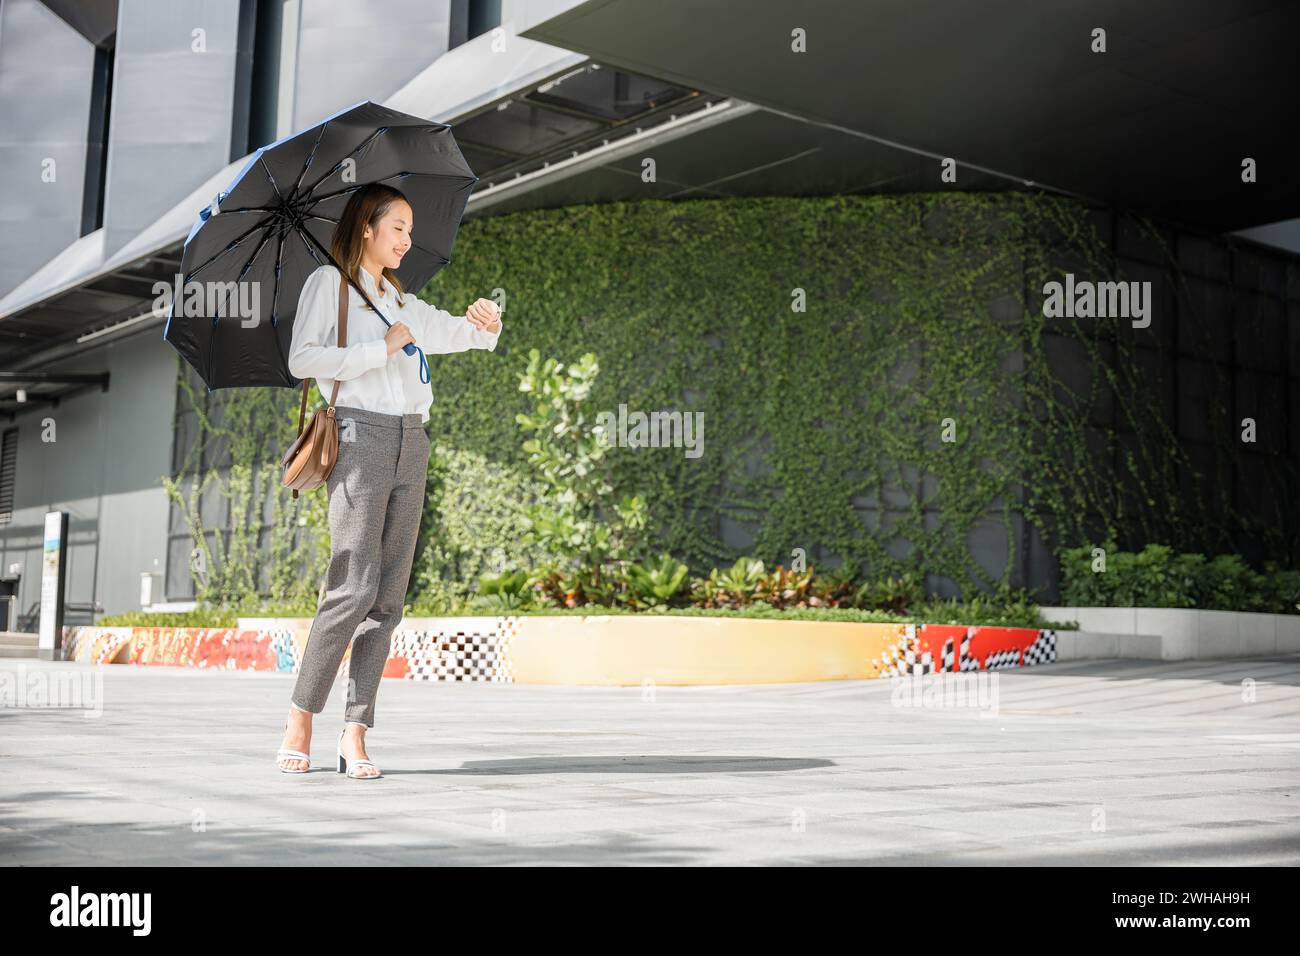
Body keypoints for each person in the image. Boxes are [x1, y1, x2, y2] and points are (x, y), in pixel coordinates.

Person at [274, 182, 501, 779]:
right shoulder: (330, 286)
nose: (407, 238)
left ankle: (355, 731)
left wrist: (485, 321)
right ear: (366, 229)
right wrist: (380, 348)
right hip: (359, 435)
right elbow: (303, 360)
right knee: (354, 584)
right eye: (397, 226)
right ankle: (301, 716)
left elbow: (455, 334)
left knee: (389, 596)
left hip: (412, 440)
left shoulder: (400, 298)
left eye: (409, 228)